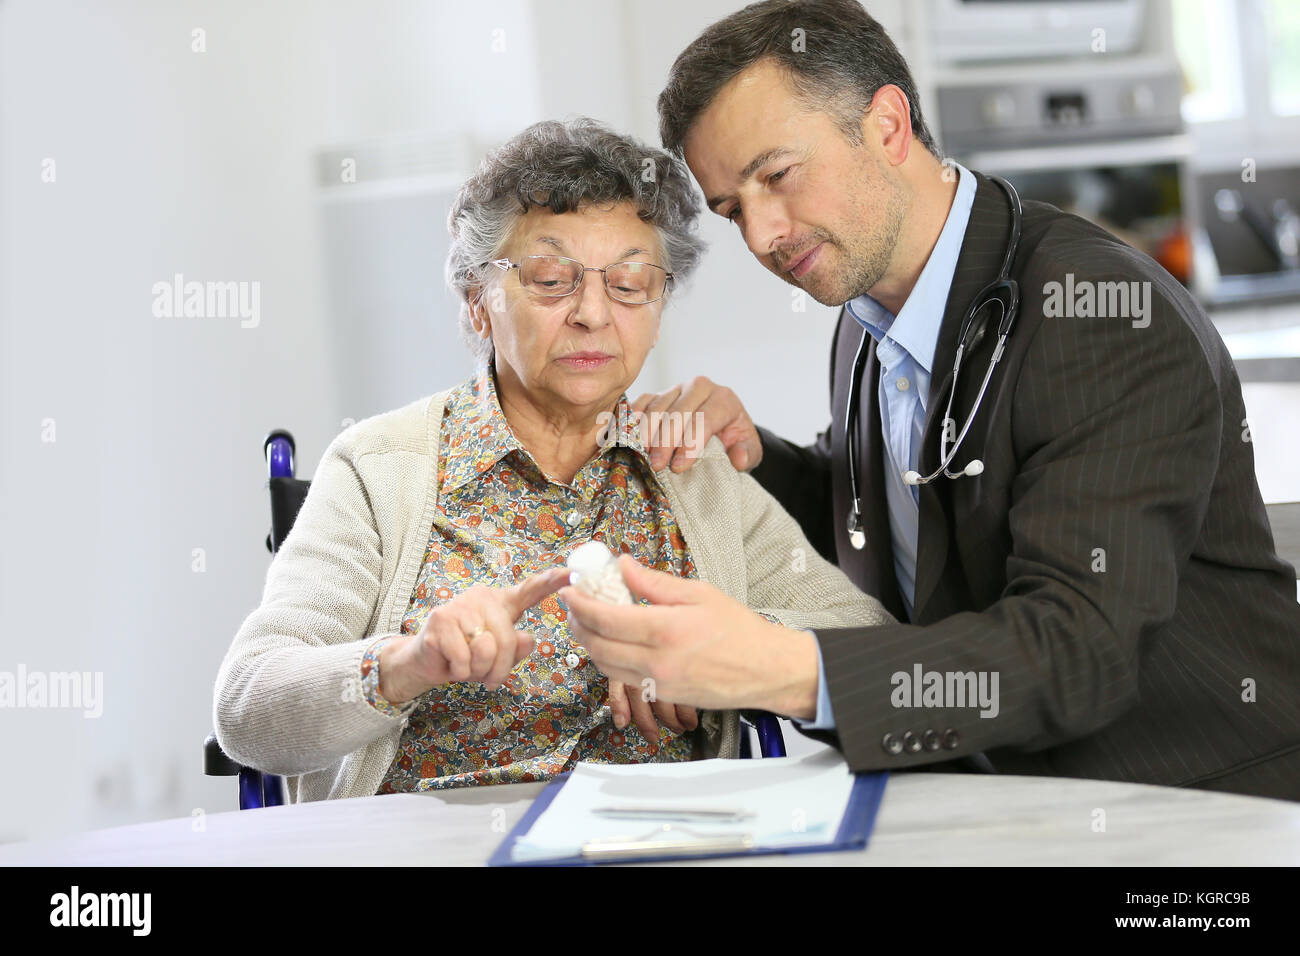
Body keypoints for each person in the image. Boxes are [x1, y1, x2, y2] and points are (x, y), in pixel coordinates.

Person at [561, 0, 1300, 799]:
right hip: (998, 791)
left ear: (886, 125)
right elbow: (919, 516)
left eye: (777, 176)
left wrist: (784, 666)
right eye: (735, 209)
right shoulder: (868, 318)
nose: (764, 235)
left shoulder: (1099, 314)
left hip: (1185, 802)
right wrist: (755, 456)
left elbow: (1076, 649)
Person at [213, 117, 891, 802]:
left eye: (629, 284)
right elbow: (249, 708)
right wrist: (409, 661)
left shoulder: (687, 464)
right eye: (549, 279)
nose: (594, 313)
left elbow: (870, 648)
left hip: (657, 845)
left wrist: (716, 648)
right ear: (478, 302)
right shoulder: (381, 467)